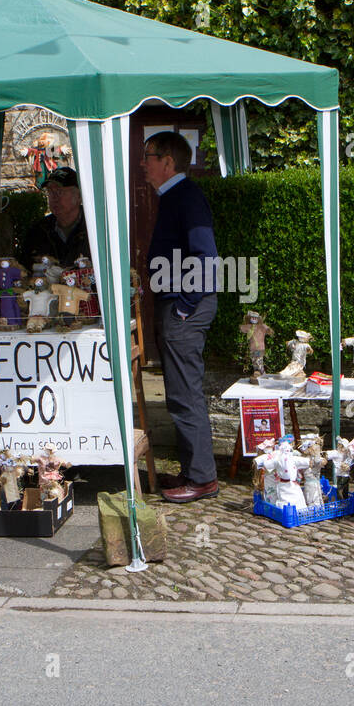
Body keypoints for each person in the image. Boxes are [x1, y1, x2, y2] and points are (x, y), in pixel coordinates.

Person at [142, 131, 220, 504]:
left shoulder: (186, 197)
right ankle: (194, 471)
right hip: (178, 304)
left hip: (185, 308)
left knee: (184, 392)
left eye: (149, 156)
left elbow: (207, 257)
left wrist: (185, 306)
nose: (143, 163)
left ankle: (203, 478)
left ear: (167, 162)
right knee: (179, 390)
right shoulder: (175, 197)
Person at [18, 165, 90, 269]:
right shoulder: (38, 231)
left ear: (79, 196)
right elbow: (24, 271)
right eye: (50, 192)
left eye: (59, 192)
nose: (54, 198)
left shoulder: (93, 230)